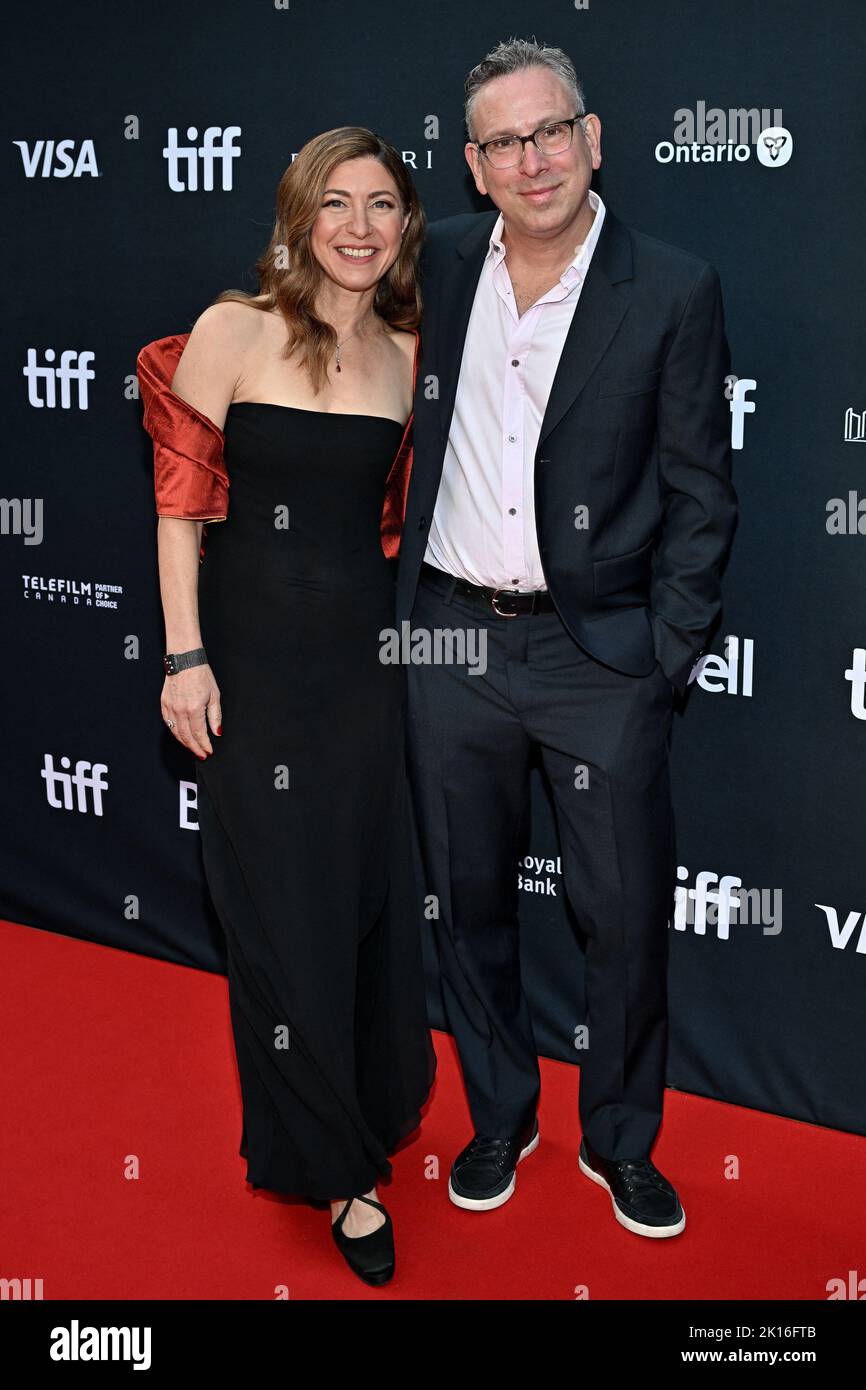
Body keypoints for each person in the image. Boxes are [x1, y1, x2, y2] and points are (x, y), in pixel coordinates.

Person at [399, 40, 738, 1236]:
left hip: (598, 660)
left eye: (551, 132)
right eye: (503, 141)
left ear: (592, 139)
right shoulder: (433, 260)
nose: (531, 159)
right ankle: (498, 1112)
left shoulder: (671, 286)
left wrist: (667, 648)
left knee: (623, 911)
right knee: (466, 897)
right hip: (445, 640)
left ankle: (620, 1140)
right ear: (473, 165)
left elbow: (702, 489)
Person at [137, 127, 436, 1286]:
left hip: (363, 678)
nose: (358, 228)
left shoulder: (411, 354)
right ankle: (337, 1172)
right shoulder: (232, 332)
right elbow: (179, 513)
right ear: (297, 218)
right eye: (335, 205)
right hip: (250, 677)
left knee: (358, 904)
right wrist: (183, 656)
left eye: (381, 206)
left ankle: (357, 1108)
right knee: (273, 915)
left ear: (405, 227)